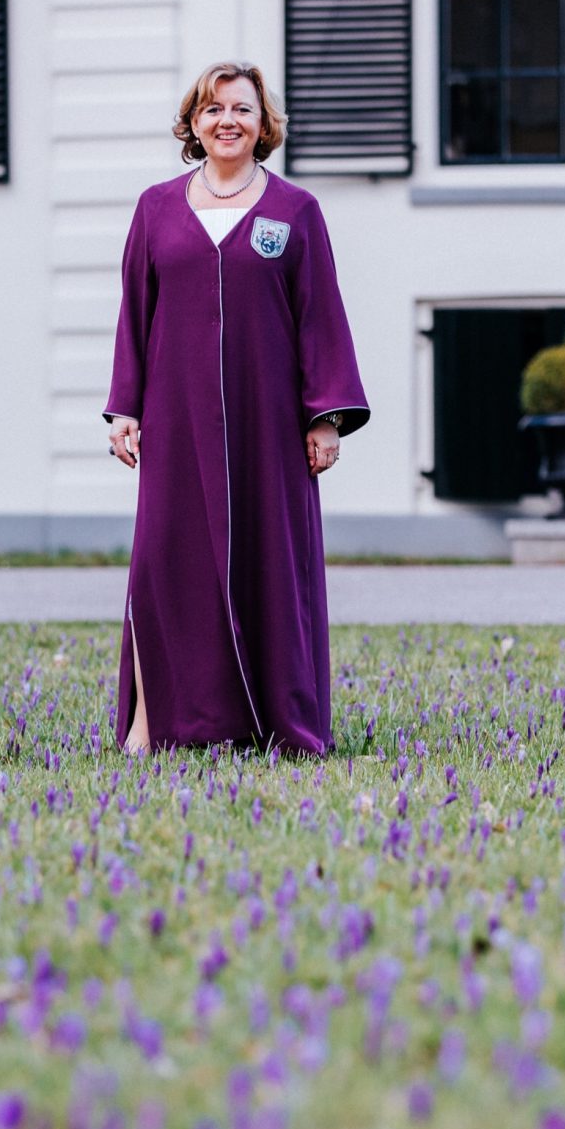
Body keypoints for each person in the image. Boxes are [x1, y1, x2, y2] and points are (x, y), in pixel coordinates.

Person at [104, 61, 369, 757]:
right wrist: (125, 408)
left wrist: (324, 415)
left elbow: (320, 318)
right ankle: (151, 723)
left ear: (263, 124)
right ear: (194, 123)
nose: (228, 120)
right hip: (175, 417)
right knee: (163, 564)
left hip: (269, 424)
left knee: (271, 566)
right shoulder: (155, 208)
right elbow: (136, 313)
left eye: (243, 109)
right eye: (214, 108)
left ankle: (271, 720)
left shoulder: (295, 211)